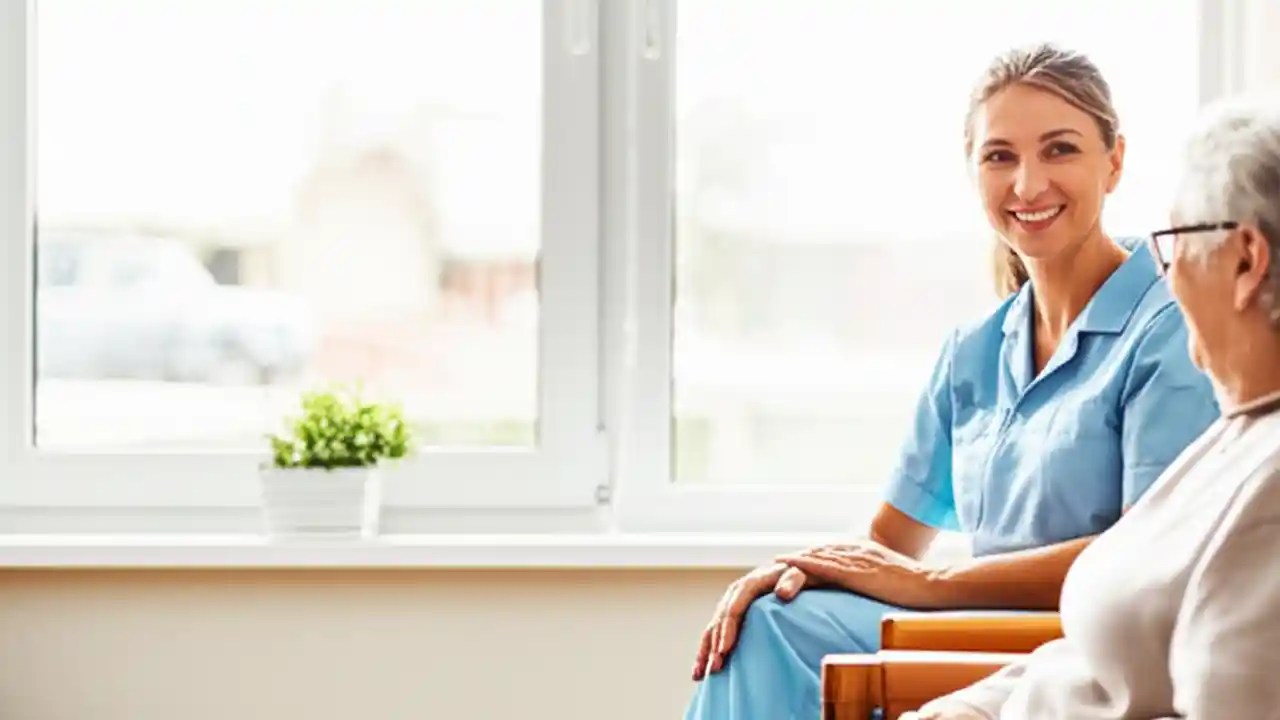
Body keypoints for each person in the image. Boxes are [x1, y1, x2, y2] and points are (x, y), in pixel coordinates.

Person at [685, 44, 1222, 720]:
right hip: (976, 633)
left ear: (1114, 162)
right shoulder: (971, 352)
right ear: (971, 171)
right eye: (1000, 156)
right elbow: (887, 547)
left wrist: (933, 585)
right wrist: (797, 566)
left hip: (1089, 644)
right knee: (770, 616)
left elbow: (1145, 556)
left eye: (1059, 150)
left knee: (775, 635)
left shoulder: (1172, 327)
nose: (1028, 185)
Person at [904, 95, 1280, 720]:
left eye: (1173, 245)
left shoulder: (1268, 489)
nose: (1166, 275)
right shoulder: (1232, 441)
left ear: (1245, 261)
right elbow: (1098, 661)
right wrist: (967, 711)